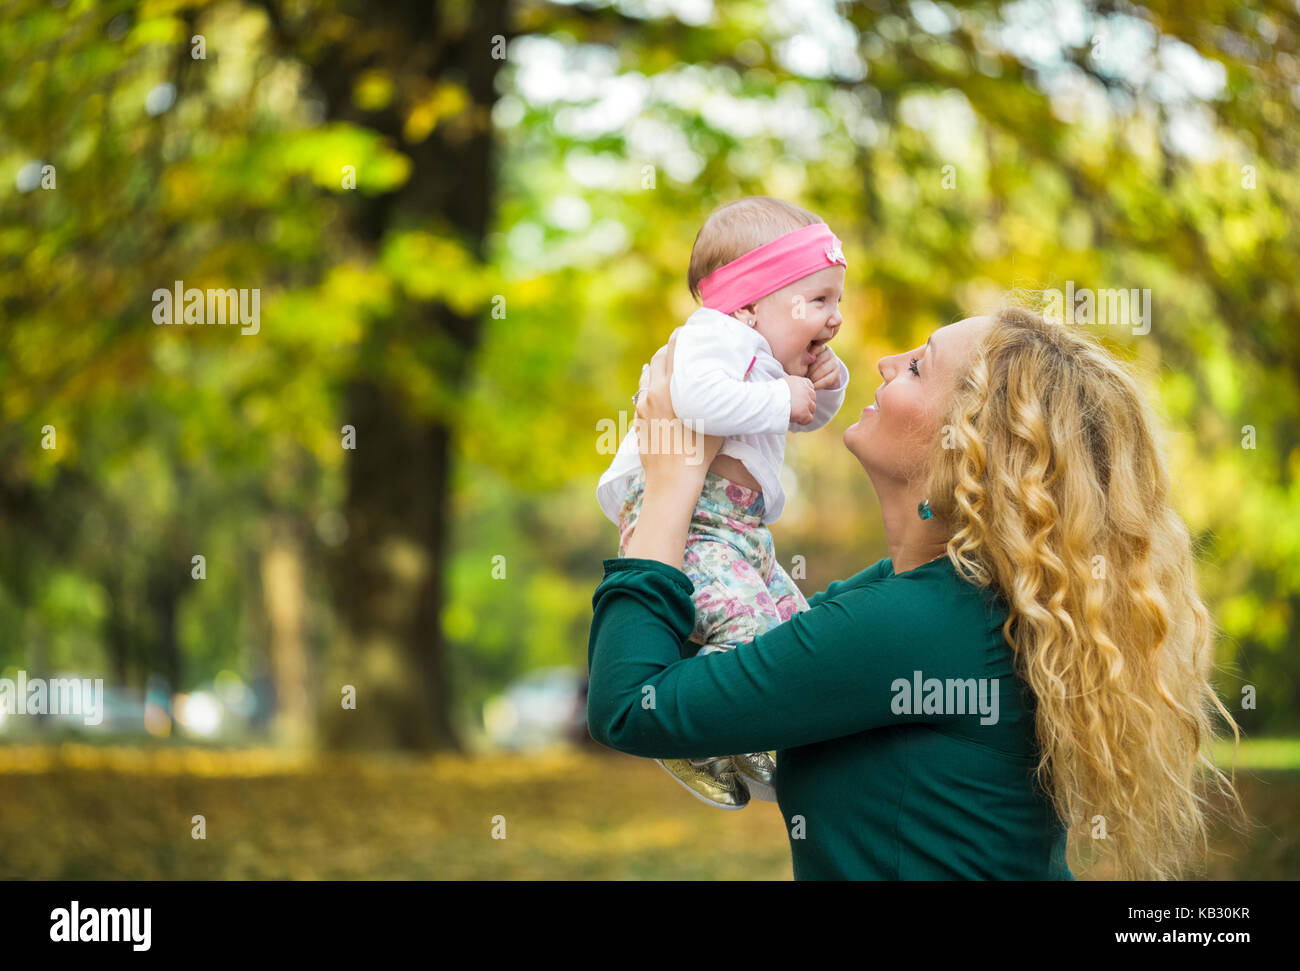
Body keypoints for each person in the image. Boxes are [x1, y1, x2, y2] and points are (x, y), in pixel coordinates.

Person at [587, 304, 1243, 880]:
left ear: (970, 450)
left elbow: (631, 706)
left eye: (919, 367)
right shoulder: (923, 603)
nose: (884, 361)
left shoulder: (914, 624)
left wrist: (671, 485)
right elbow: (720, 664)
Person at [596, 197, 851, 808]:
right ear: (749, 302)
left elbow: (808, 417)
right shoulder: (714, 336)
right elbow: (699, 400)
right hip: (696, 525)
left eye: (837, 300)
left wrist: (823, 383)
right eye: (818, 301)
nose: (835, 317)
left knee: (795, 630)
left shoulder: (761, 357)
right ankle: (697, 740)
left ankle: (765, 738)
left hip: (742, 529)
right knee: (746, 629)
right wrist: (781, 394)